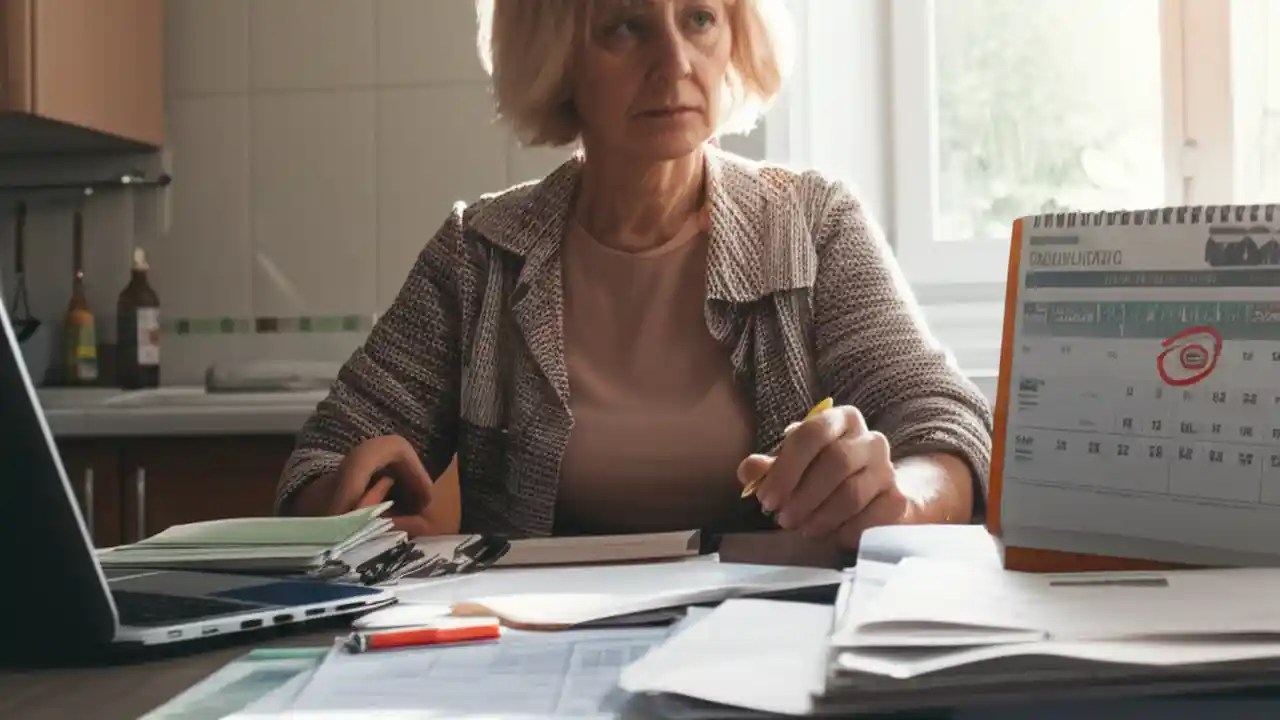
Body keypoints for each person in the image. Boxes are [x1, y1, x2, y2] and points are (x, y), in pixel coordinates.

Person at [276, 0, 993, 552]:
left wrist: (901, 494)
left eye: (700, 18)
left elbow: (946, 426)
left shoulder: (812, 223)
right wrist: (341, 493)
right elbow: (320, 461)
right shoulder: (478, 255)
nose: (676, 60)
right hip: (534, 654)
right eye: (626, 25)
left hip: (777, 645)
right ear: (558, 56)